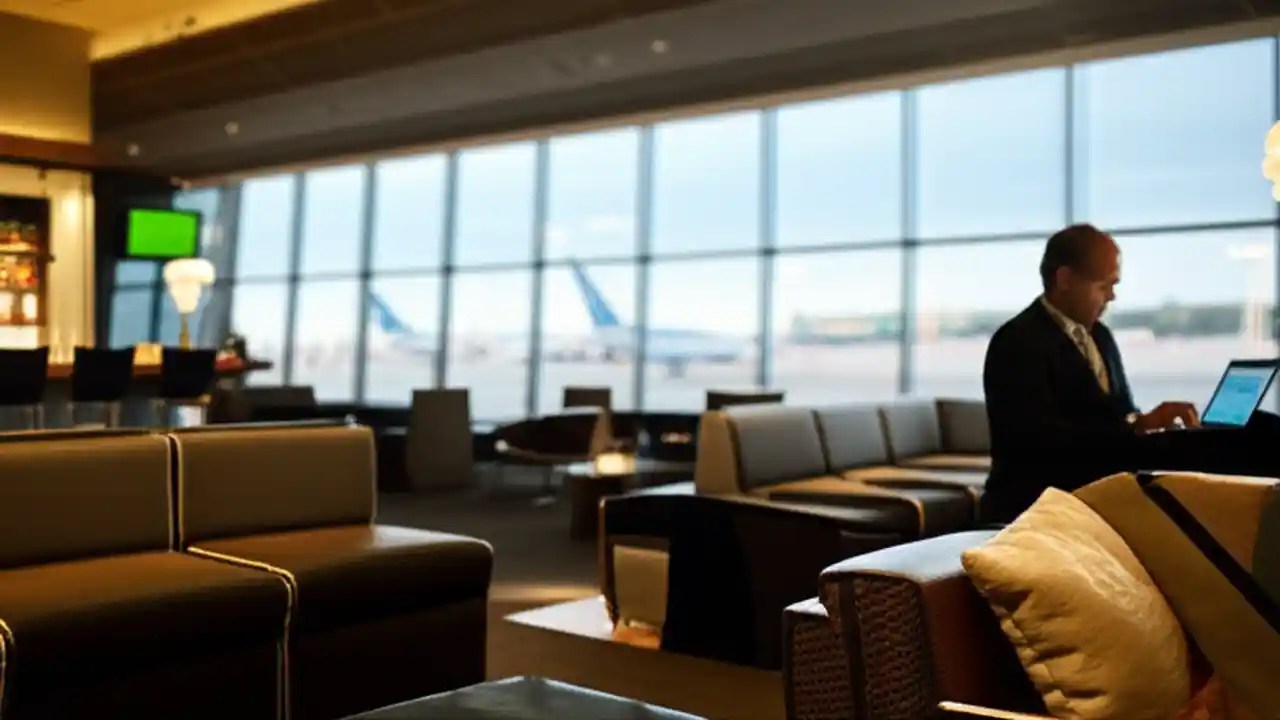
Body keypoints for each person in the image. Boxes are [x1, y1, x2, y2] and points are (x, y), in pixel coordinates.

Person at [981, 224, 1207, 523]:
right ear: (1064, 279)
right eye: (1103, 286)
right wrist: (1136, 431)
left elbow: (1118, 414)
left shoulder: (1101, 337)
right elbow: (1042, 444)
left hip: (1097, 500)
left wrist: (1147, 424)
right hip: (1034, 509)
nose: (1112, 296)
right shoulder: (1016, 341)